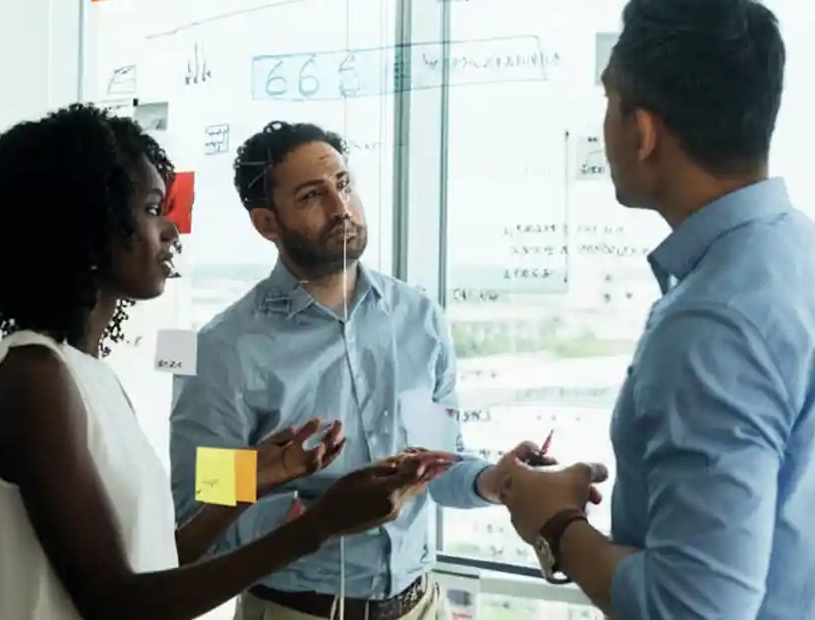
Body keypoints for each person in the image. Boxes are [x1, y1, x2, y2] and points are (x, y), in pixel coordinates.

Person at [0, 105, 455, 620]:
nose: (170, 230)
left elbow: (163, 556)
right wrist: (318, 524)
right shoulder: (35, 380)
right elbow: (118, 602)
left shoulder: (88, 376)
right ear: (87, 228)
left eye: (342, 183)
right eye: (149, 210)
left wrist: (253, 478)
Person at [498, 0, 815, 619]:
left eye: (610, 100)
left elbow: (690, 611)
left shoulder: (715, 321)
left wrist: (556, 525)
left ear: (644, 131)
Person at [169, 121, 546, 620]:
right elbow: (200, 508)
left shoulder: (418, 319)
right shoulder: (226, 350)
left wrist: (492, 480)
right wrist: (316, 515)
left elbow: (437, 462)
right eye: (311, 196)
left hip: (421, 607)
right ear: (267, 224)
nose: (340, 207)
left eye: (343, 184)